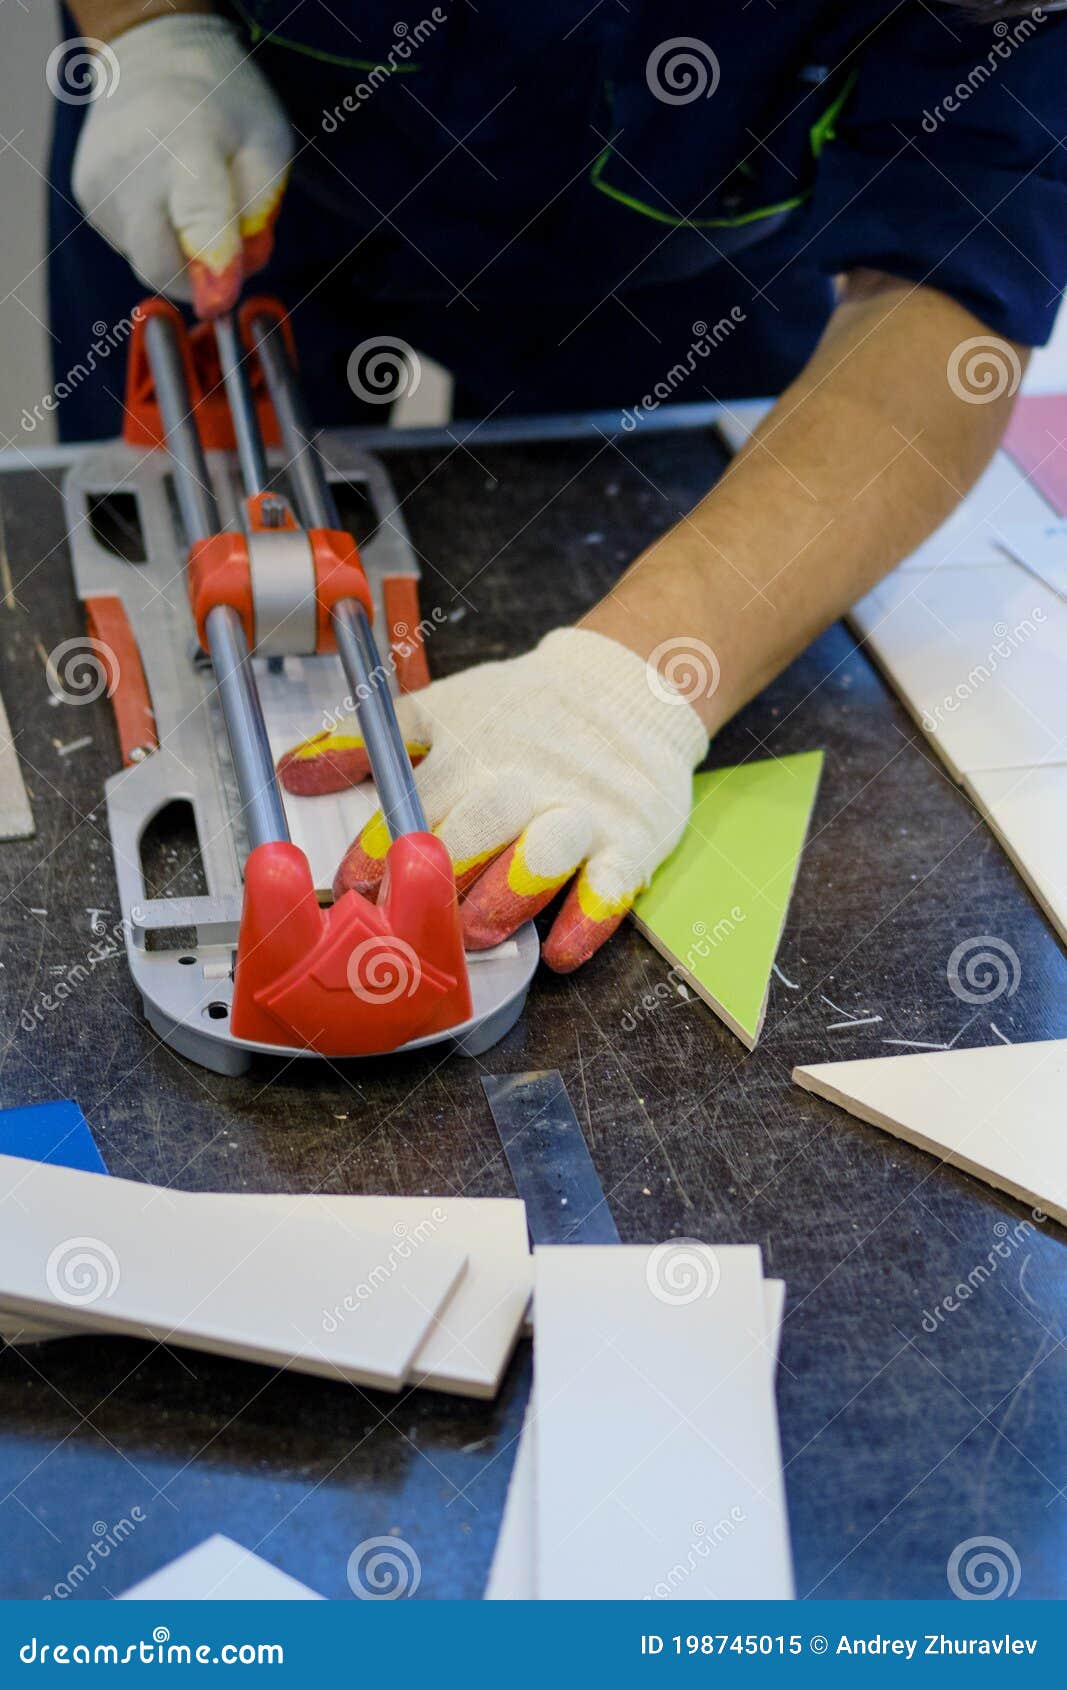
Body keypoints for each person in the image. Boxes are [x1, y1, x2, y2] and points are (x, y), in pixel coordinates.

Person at [57, 1, 1065, 969]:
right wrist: (148, 29)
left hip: (682, 263)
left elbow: (955, 269)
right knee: (167, 543)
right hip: (254, 149)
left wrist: (634, 683)